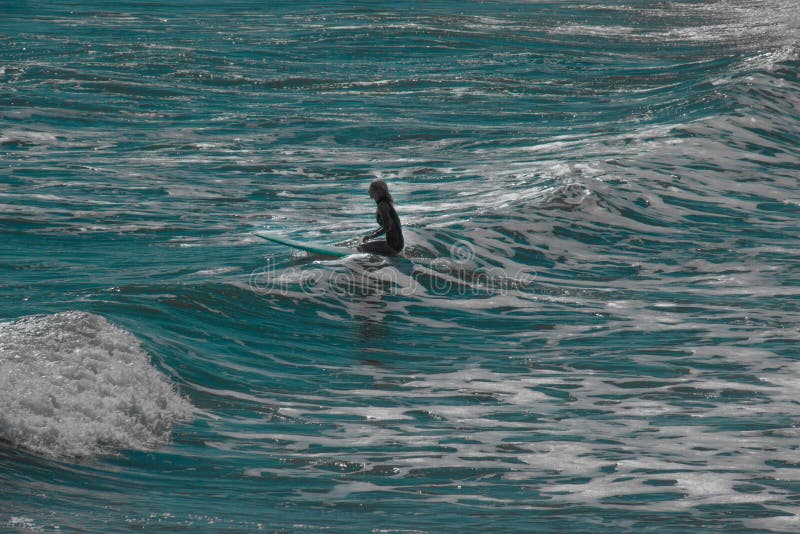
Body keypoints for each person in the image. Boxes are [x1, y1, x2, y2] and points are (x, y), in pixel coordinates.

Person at [358, 180, 404, 255]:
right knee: (368, 243)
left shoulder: (382, 205)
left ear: (376, 192)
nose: (368, 191)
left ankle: (374, 265)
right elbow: (387, 225)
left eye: (370, 189)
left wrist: (371, 236)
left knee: (361, 248)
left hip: (393, 245)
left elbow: (387, 227)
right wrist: (372, 234)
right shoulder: (385, 203)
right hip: (397, 243)